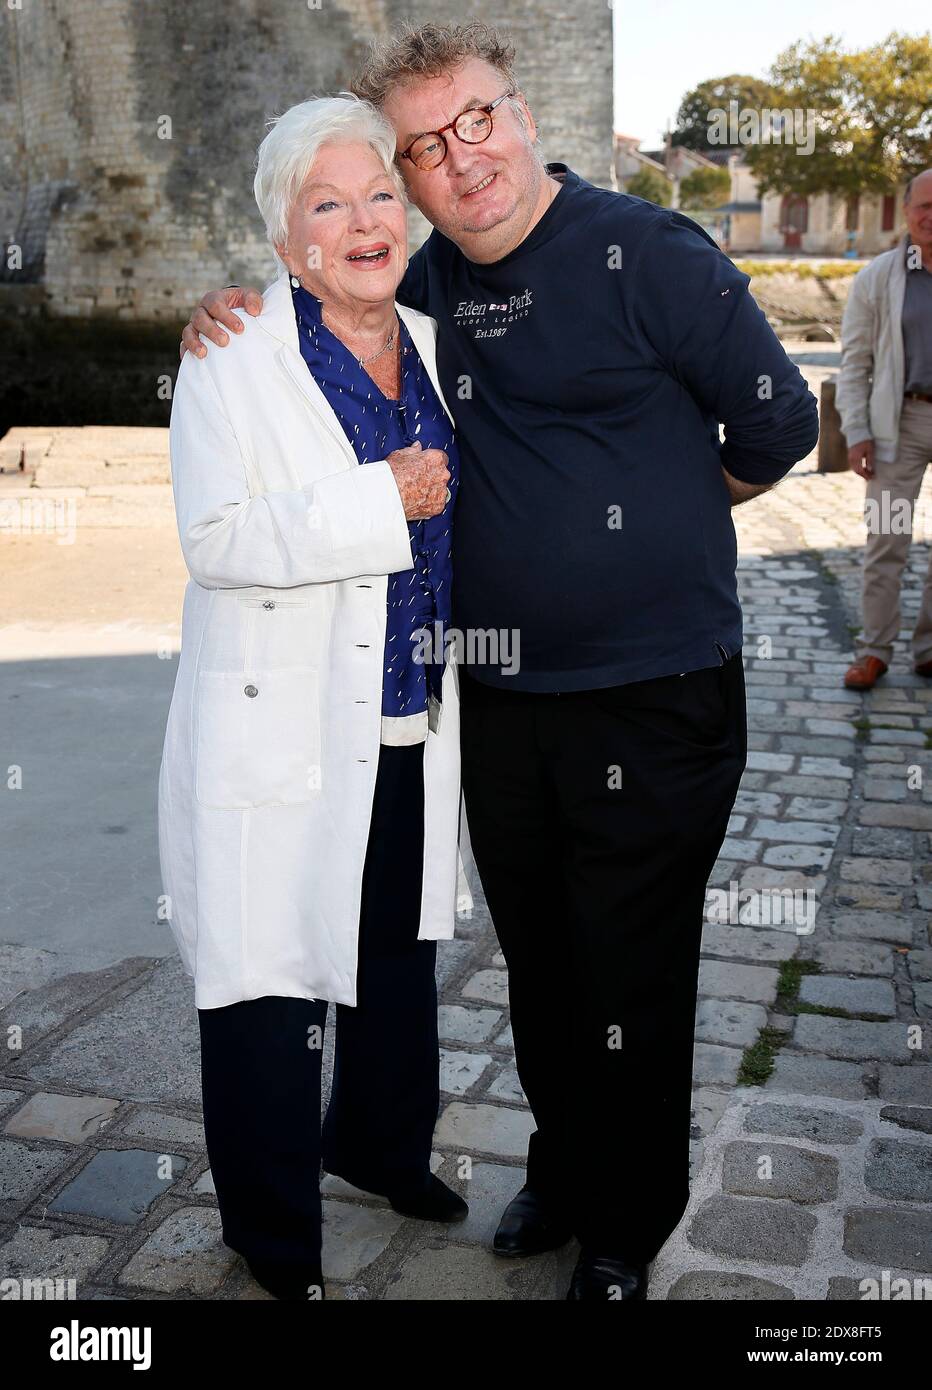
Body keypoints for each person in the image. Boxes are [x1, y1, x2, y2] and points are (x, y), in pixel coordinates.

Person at [180, 21, 820, 1300]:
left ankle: (626, 1227)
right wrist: (217, 308)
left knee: (631, 968)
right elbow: (316, 311)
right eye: (421, 148)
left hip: (655, 694)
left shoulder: (649, 251)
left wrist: (662, 525)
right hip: (505, 699)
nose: (456, 161)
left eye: (475, 121)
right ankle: (566, 1167)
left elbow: (778, 421)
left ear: (521, 117)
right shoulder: (427, 293)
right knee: (542, 961)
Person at [158, 93, 468, 1303]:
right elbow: (213, 537)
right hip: (281, 722)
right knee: (267, 980)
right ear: (285, 243)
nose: (363, 220)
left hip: (406, 713)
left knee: (397, 954)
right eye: (326, 204)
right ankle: (272, 1235)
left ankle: (382, 1148)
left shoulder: (437, 339)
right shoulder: (232, 352)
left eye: (381, 193)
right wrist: (376, 497)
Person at [837, 169, 932, 690]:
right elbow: (855, 362)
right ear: (907, 210)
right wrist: (858, 432)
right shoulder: (878, 277)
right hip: (900, 422)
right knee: (886, 541)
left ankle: (930, 650)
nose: (931, 216)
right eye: (923, 206)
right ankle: (874, 651)